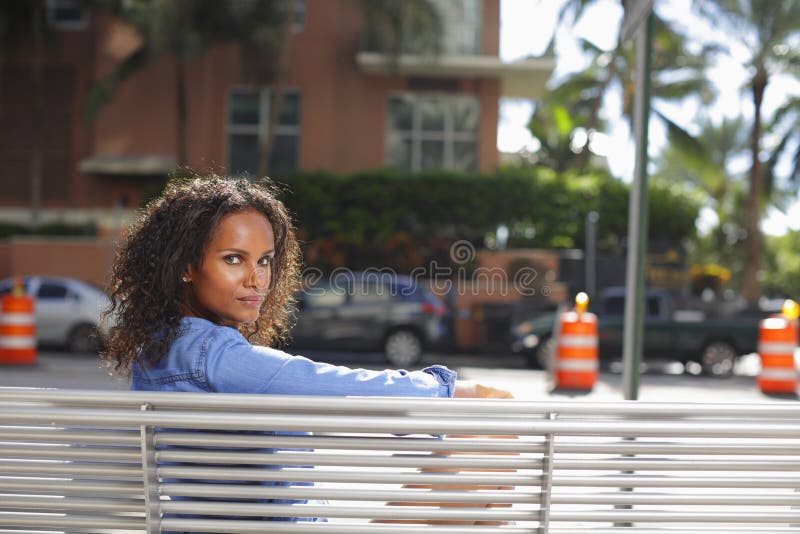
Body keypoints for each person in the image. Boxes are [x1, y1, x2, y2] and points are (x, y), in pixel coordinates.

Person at [101, 175, 511, 524]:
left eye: (264, 261)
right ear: (185, 267)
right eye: (233, 259)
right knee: (488, 449)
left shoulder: (155, 351)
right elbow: (334, 386)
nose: (256, 279)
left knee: (480, 457)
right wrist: (453, 391)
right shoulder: (215, 355)